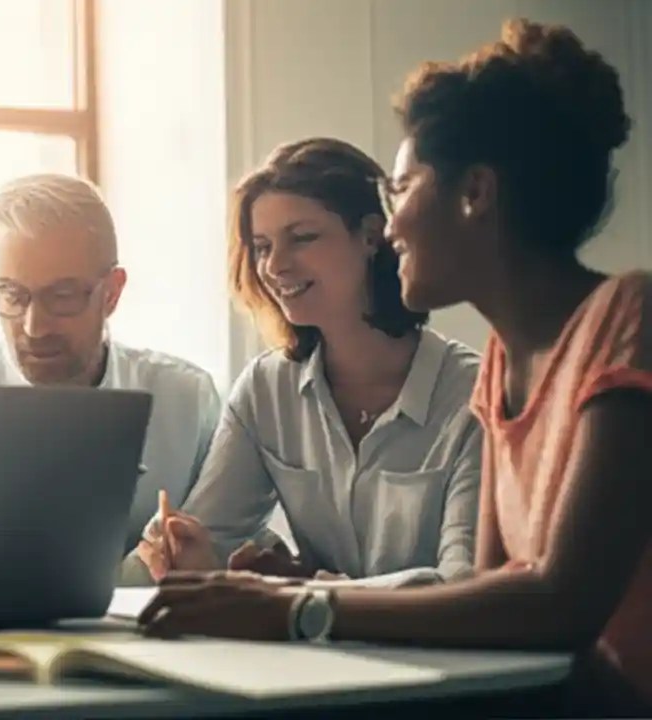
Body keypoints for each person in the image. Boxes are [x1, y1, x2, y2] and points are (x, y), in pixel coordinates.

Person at [138, 19, 650, 714]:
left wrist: (299, 605)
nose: (392, 225)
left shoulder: (630, 318)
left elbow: (559, 601)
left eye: (401, 189)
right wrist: (287, 593)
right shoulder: (506, 362)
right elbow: (491, 597)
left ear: (475, 193)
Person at [130, 138, 482, 588]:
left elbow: (461, 582)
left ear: (372, 236)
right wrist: (192, 553)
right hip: (310, 653)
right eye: (261, 247)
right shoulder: (266, 388)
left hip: (445, 656)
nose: (275, 265)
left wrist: (307, 591)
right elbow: (211, 536)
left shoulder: (473, 394)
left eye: (302, 238)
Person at [0, 173, 220, 550]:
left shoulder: (187, 401)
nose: (34, 327)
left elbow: (222, 553)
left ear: (113, 292)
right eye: (12, 295)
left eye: (63, 295)